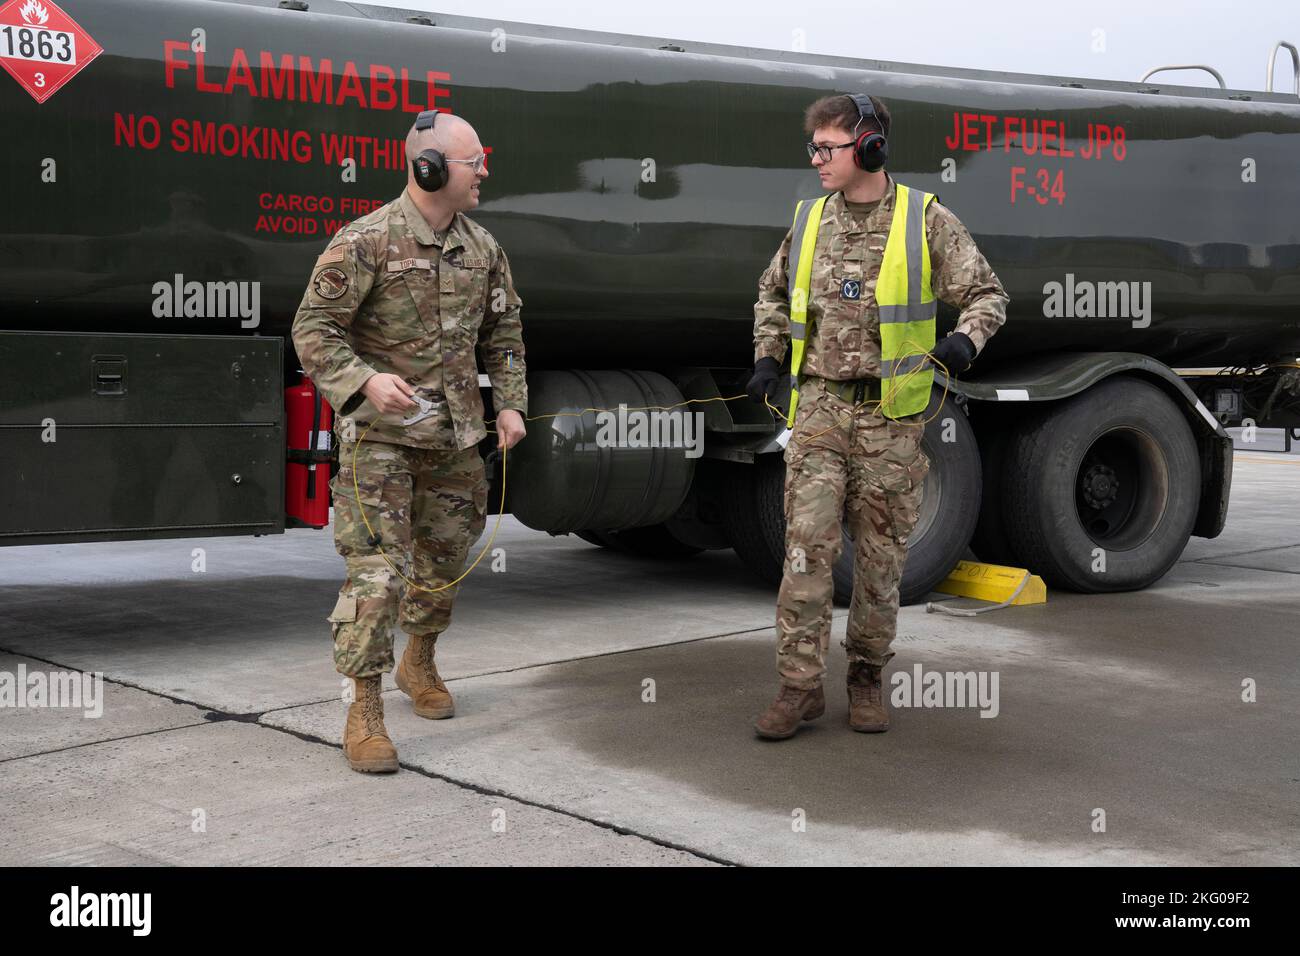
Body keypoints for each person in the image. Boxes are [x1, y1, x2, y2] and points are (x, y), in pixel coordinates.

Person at [747, 93, 1008, 739]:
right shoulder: (808, 221)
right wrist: (767, 355)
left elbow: (987, 294)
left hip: (890, 419)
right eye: (813, 147)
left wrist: (964, 341)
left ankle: (866, 676)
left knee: (880, 558)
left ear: (869, 147)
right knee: (806, 549)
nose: (816, 160)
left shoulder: (924, 218)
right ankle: (799, 687)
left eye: (827, 148)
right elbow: (772, 292)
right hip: (820, 408)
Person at [291, 110, 527, 772]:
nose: (484, 171)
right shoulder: (366, 241)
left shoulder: (483, 248)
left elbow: (504, 336)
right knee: (377, 574)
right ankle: (364, 710)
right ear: (429, 169)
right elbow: (313, 329)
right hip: (381, 443)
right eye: (474, 160)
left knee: (444, 559)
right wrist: (364, 382)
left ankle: (419, 661)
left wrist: (508, 407)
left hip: (456, 439)